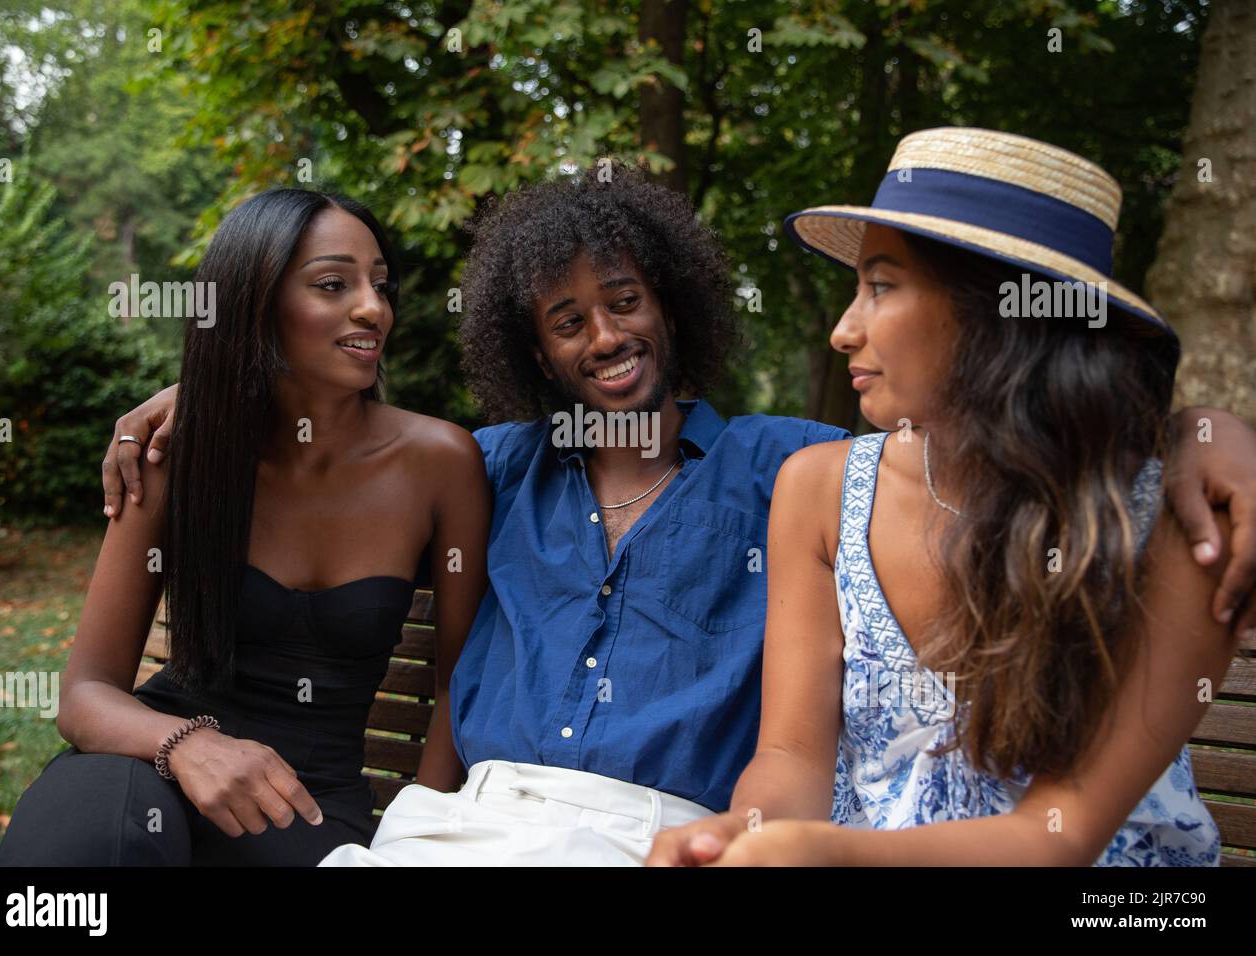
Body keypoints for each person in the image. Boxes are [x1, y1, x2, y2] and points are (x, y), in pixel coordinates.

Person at [100, 162, 1256, 866]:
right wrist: (205, 396)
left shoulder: (786, 467)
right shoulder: (482, 468)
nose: (603, 337)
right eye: (565, 321)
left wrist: (1206, 427)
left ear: (673, 304)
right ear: (531, 351)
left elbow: (998, 433)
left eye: (622, 302)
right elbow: (335, 428)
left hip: (648, 828)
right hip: (470, 827)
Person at [648, 128, 1240, 867]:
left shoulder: (1175, 524)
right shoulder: (820, 489)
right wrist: (746, 831)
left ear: (1002, 311)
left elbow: (1062, 836)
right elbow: (792, 754)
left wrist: (828, 857)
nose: (843, 330)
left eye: (881, 286)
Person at [0, 188, 489, 866]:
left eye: (380, 284)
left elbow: (455, 689)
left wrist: (417, 841)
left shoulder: (439, 463)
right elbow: (84, 694)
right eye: (333, 284)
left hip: (304, 804)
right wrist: (189, 744)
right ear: (254, 303)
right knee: (90, 850)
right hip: (150, 769)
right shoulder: (179, 451)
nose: (374, 308)